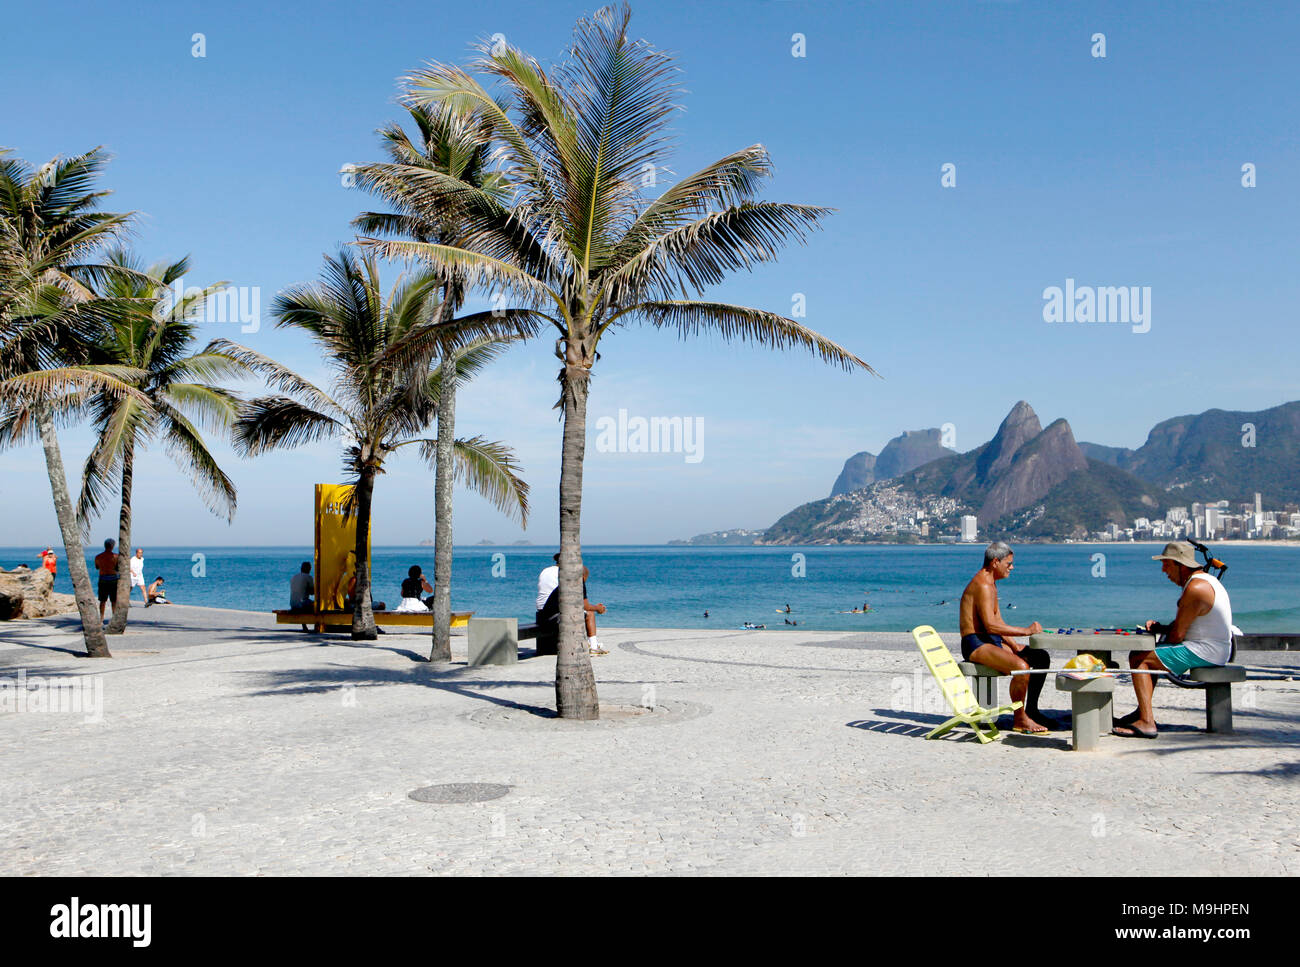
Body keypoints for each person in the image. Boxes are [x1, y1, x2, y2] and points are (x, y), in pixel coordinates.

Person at [1114, 542, 1234, 739]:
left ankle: (1146, 722)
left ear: (1182, 565)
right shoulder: (1204, 580)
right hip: (1215, 648)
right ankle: (1141, 713)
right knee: (1148, 656)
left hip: (1205, 651)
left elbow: (1178, 635)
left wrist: (1165, 635)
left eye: (1167, 565)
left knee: (1139, 659)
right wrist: (1161, 628)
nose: (1164, 570)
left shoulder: (1196, 587)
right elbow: (1187, 625)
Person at [958, 541, 1053, 734]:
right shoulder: (983, 585)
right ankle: (1019, 720)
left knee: (1040, 657)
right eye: (1008, 564)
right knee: (1021, 668)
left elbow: (997, 619)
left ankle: (1031, 710)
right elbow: (990, 625)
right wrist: (1026, 631)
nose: (1012, 567)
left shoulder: (991, 583)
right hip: (975, 643)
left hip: (990, 640)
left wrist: (1013, 644)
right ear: (995, 562)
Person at [94, 538, 119, 621]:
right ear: (112, 546)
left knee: (102, 600)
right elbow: (117, 568)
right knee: (114, 600)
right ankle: (114, 617)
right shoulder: (116, 557)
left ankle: (101, 618)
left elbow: (97, 567)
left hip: (103, 579)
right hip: (113, 579)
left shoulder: (98, 557)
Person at [290, 561, 315, 631]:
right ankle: (318, 623)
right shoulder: (308, 577)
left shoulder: (294, 577)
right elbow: (312, 592)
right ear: (309, 569)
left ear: (301, 568)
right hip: (302, 604)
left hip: (293, 604)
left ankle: (304, 625)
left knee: (303, 600)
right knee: (317, 605)